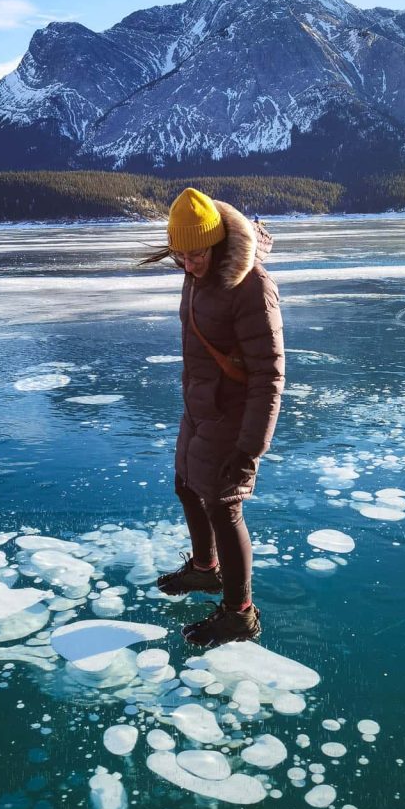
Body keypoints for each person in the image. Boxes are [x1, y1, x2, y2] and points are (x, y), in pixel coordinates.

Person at [141, 187, 285, 647]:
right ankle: (206, 570)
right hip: (199, 405)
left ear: (218, 242)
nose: (187, 264)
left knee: (224, 505)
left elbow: (269, 374)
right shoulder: (194, 271)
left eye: (197, 254)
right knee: (186, 484)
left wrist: (249, 449)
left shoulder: (252, 286)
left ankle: (239, 613)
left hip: (234, 414)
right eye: (179, 255)